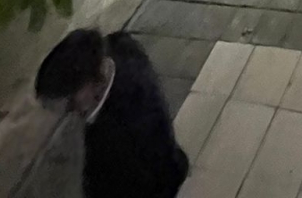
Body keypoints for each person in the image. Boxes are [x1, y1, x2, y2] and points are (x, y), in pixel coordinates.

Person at [34, 28, 190, 198]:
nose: (69, 109)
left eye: (71, 98)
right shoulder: (121, 51)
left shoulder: (116, 132)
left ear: (92, 81)